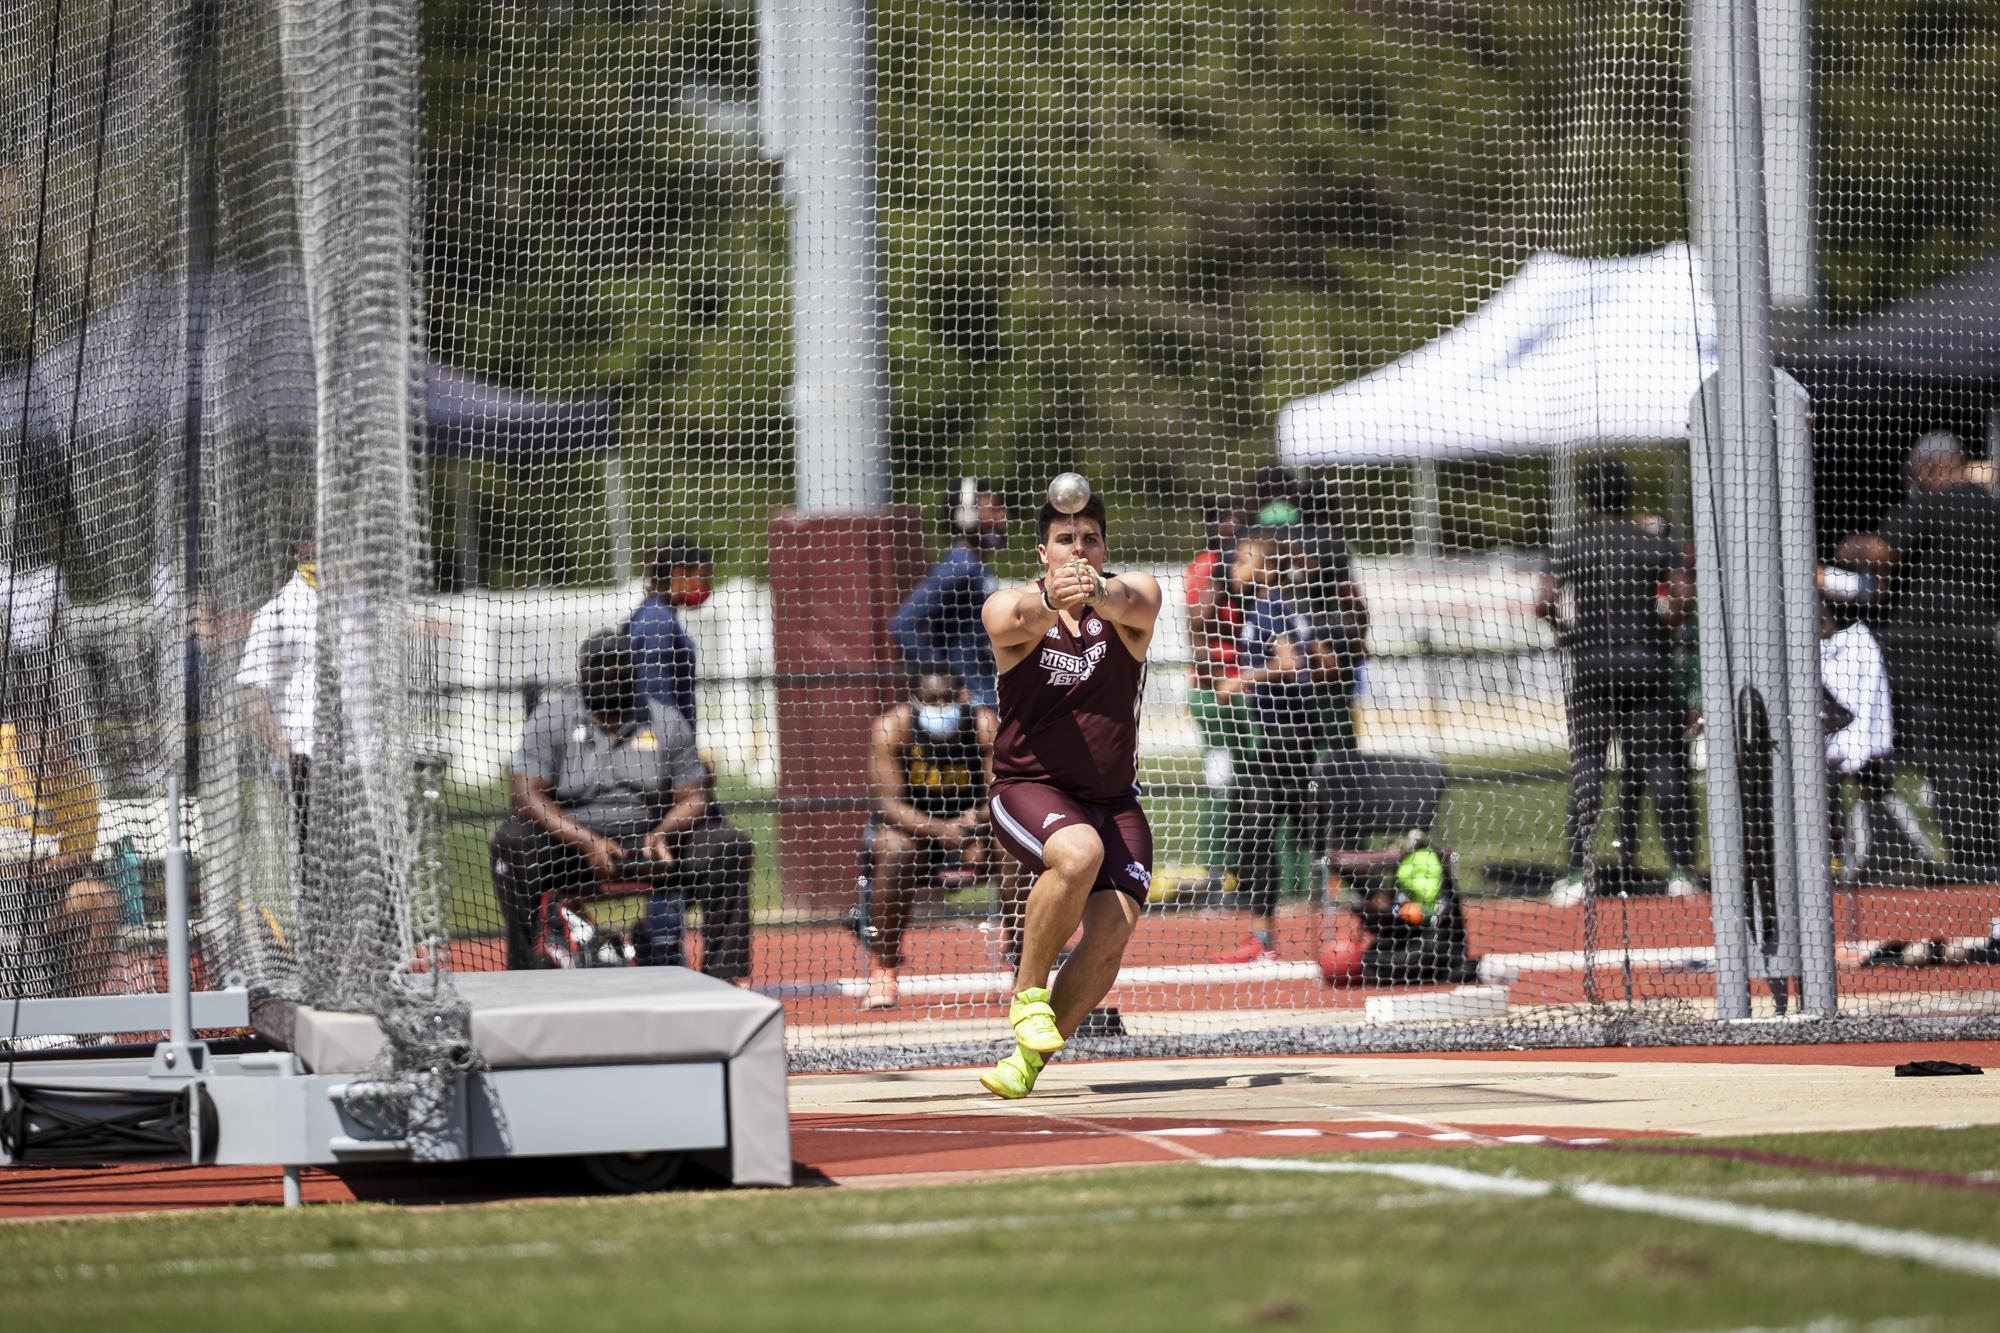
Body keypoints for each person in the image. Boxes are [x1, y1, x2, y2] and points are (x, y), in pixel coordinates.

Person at [976, 490, 1161, 1098]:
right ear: (1043, 551)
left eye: (1090, 539)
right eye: (1065, 539)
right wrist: (1051, 600)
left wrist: (1098, 595)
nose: (1078, 549)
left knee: (1112, 931)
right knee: (1077, 854)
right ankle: (1028, 993)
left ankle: (1025, 1064)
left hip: (1114, 801)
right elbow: (1011, 618)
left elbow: (1135, 599)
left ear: (1104, 548)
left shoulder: (1132, 601)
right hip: (1028, 788)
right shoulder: (1015, 606)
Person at [490, 631, 753, 982]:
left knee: (728, 845)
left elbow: (694, 796)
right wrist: (586, 842)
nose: (611, 676)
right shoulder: (552, 717)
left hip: (650, 846)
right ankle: (525, 975)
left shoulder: (665, 719)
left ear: (634, 672)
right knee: (512, 841)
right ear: (583, 672)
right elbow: (525, 796)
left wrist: (664, 833)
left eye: (620, 668)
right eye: (601, 668)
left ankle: (725, 978)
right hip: (572, 850)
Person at [1538, 457, 1699, 904]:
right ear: (1626, 494)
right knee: (1663, 768)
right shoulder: (1651, 545)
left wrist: (1571, 636)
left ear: (1588, 498)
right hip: (1647, 663)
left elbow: (1544, 603)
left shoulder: (1572, 545)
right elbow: (1684, 594)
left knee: (1588, 769)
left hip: (1593, 667)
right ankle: (1682, 870)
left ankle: (1576, 874)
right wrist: (1662, 630)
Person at [1865, 432, 2000, 878]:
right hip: (1982, 655)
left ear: (1930, 469)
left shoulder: (1930, 505)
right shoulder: (1991, 512)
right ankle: (1984, 854)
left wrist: (1851, 549)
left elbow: (1882, 551)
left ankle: (1958, 858)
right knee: (1979, 758)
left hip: (1924, 657)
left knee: (1939, 761)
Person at [1214, 530, 1343, 961]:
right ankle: (1373, 901)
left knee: (1262, 830)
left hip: (1284, 736)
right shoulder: (1286, 608)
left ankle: (1265, 937)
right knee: (1298, 832)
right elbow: (1326, 663)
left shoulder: (1269, 609)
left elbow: (1291, 663)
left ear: (1264, 569)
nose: (1234, 569)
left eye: (1241, 562)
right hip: (1295, 733)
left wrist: (1244, 679)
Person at [855, 664, 1006, 1010]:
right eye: (931, 701)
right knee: (893, 849)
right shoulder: (893, 727)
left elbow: (1003, 791)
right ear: (914, 701)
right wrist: (941, 830)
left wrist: (975, 822)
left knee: (1012, 846)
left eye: (947, 700)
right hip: (915, 835)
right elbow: (889, 805)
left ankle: (1022, 961)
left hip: (973, 835)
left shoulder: (982, 725)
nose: (940, 709)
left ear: (963, 697)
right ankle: (885, 967)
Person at [0, 665, 116, 1000]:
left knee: (102, 899)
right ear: (20, 733)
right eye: (43, 736)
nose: (54, 747)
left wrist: (33, 870)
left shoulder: (80, 784)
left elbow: (76, 861)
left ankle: (84, 1021)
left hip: (44, 900)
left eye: (60, 734)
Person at [890, 477, 1010, 710]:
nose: (1003, 516)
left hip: (985, 691)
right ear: (967, 514)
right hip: (973, 702)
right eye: (993, 508)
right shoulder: (960, 567)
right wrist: (943, 678)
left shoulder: (975, 566)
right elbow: (902, 624)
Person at [1184, 493, 1253, 896]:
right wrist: (1222, 582)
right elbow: (1198, 623)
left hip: (1244, 685)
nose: (1240, 528)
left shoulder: (1241, 562)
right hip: (1215, 689)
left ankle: (1243, 868)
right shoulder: (1206, 567)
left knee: (1249, 782)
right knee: (1222, 779)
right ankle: (1216, 871)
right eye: (1233, 521)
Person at [236, 539, 318, 841]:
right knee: (317, 867)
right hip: (306, 760)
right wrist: (280, 748)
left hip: (360, 761)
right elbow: (250, 688)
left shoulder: (358, 604)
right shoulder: (281, 609)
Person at [626, 537, 714, 731]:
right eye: (702, 579)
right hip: (664, 745)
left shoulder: (658, 614)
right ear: (679, 573)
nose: (706, 588)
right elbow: (655, 697)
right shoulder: (657, 621)